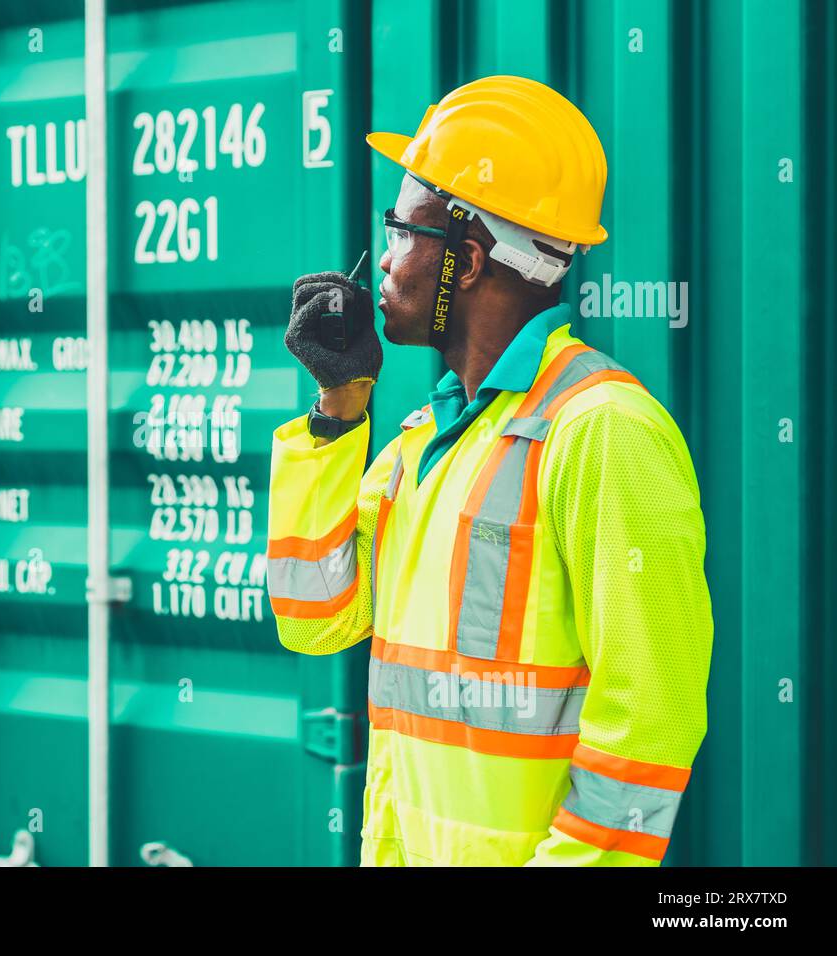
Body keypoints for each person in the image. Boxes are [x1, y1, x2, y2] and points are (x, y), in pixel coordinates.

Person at [268, 75, 713, 866]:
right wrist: (338, 407)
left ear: (468, 262)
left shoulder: (603, 432)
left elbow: (652, 717)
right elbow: (315, 616)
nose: (385, 260)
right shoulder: (423, 443)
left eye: (402, 230)